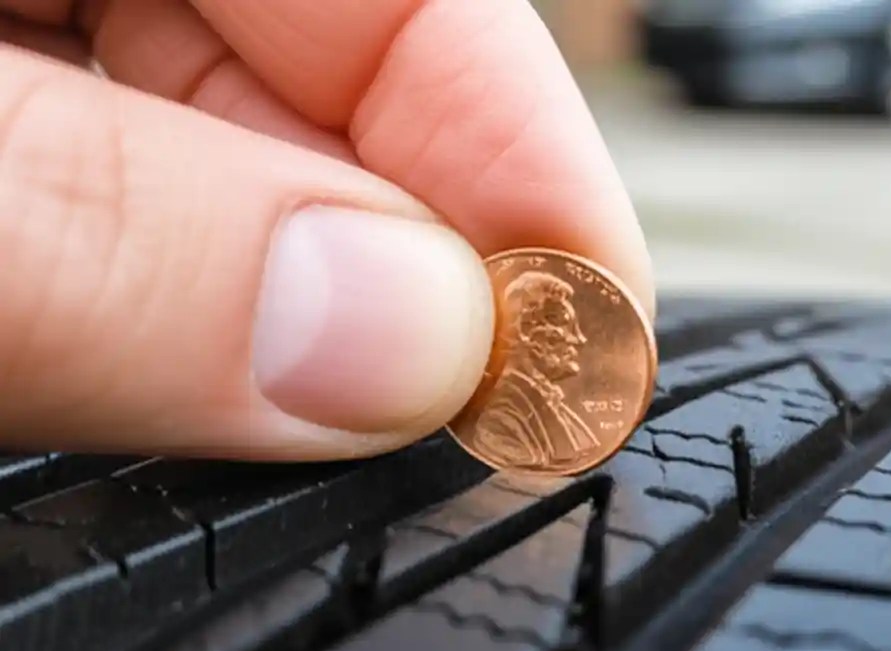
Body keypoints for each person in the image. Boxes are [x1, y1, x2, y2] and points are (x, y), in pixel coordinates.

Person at [0, 0, 653, 461]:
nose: (574, 336)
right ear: (530, 338)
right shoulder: (515, 416)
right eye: (558, 324)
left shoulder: (546, 418)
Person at [472, 271, 599, 470]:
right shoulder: (501, 419)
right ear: (523, 331)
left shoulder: (548, 401)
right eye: (562, 322)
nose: (579, 338)